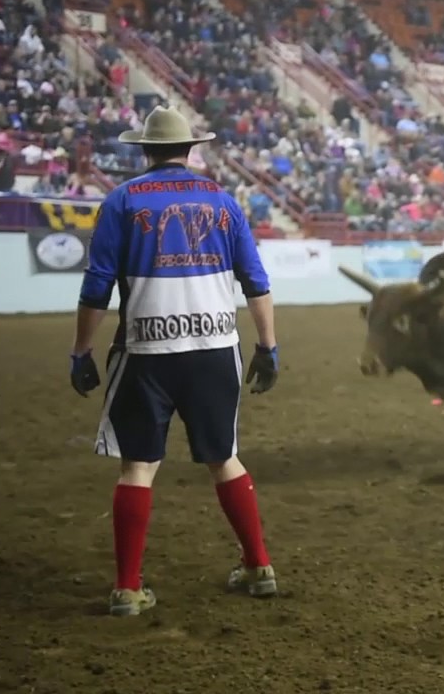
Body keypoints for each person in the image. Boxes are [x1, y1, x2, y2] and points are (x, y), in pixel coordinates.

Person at [68, 106, 282, 616]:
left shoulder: (122, 201)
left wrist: (81, 351)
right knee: (223, 457)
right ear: (190, 149)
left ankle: (126, 587)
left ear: (143, 151)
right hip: (215, 347)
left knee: (138, 466)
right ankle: (258, 566)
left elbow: (97, 286)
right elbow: (256, 281)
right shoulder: (224, 202)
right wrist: (268, 347)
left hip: (146, 349)